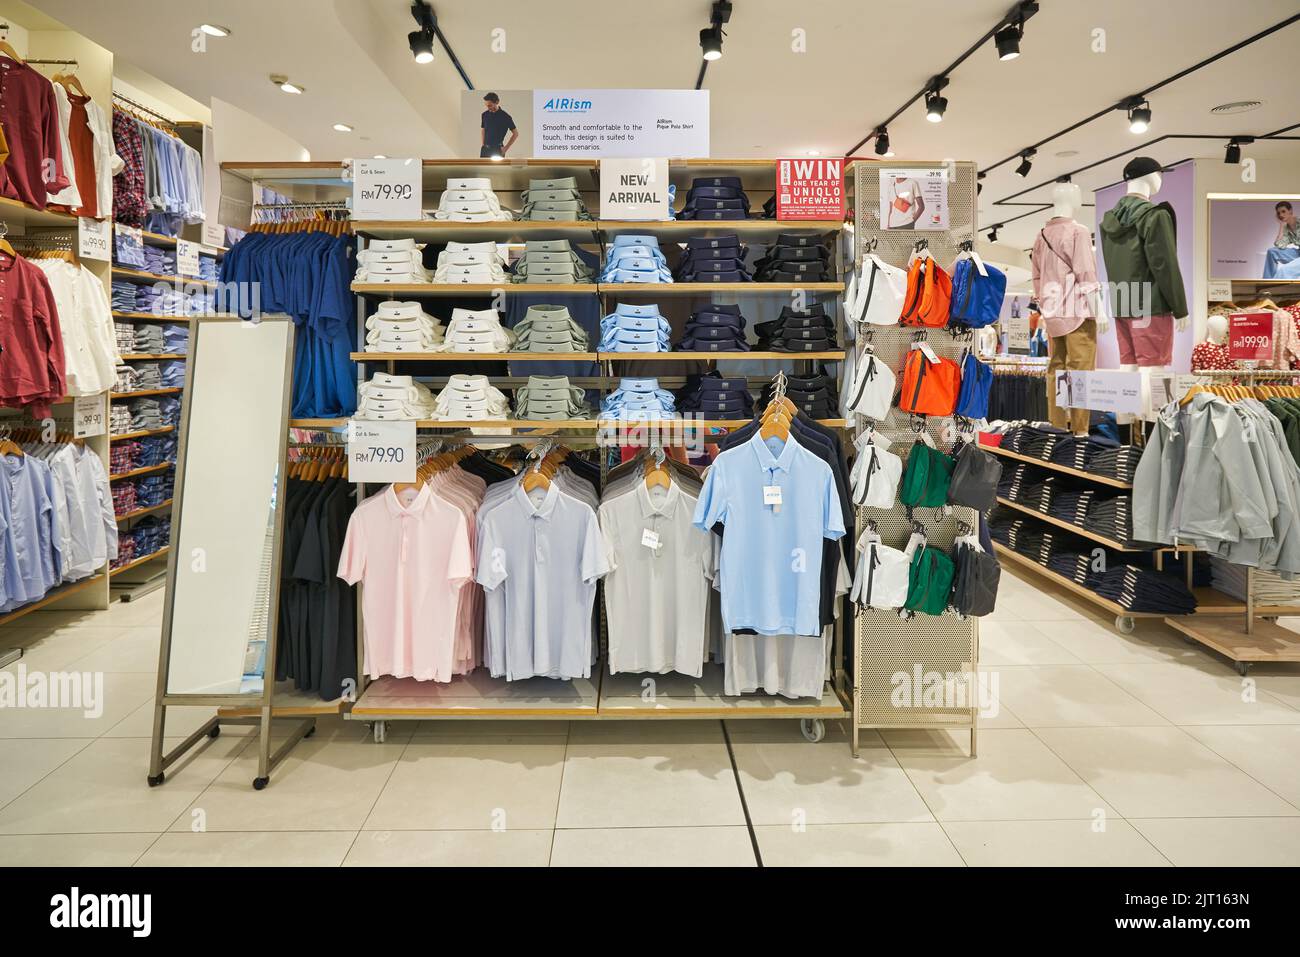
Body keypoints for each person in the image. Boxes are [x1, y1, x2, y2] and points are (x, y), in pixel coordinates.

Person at [1264, 200, 1300, 278]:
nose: (1281, 215)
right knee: (1272, 251)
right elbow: (1279, 245)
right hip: (1298, 253)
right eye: (1279, 213)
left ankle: (1273, 287)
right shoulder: (1286, 228)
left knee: (1284, 270)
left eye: (1283, 211)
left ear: (1290, 211)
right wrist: (1282, 226)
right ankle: (1267, 280)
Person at [480, 92, 518, 159]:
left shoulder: (505, 117)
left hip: (498, 150)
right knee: (483, 169)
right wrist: (483, 144)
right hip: (485, 150)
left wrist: (505, 148)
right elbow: (483, 129)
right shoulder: (484, 115)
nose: (488, 108)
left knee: (497, 169)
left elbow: (515, 133)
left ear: (497, 102)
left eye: (490, 105)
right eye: (486, 105)